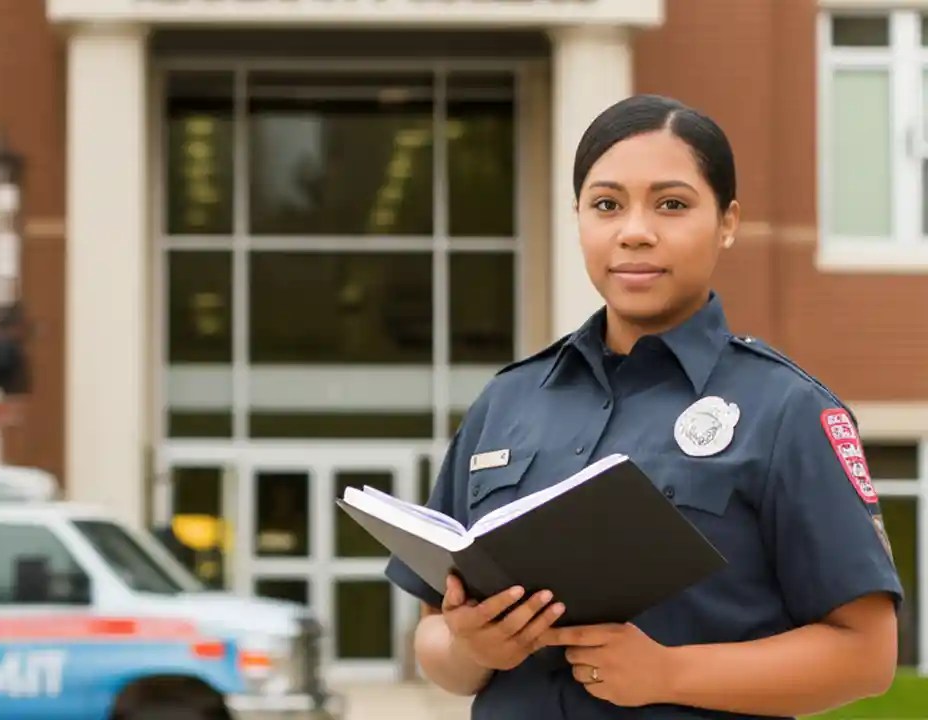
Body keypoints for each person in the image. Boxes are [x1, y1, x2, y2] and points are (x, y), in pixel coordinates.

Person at [385, 94, 904, 719]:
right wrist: (476, 646)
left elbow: (866, 656)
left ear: (728, 222)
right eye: (606, 204)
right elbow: (434, 634)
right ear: (577, 216)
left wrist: (670, 672)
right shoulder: (509, 401)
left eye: (672, 204)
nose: (635, 231)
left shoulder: (788, 411)